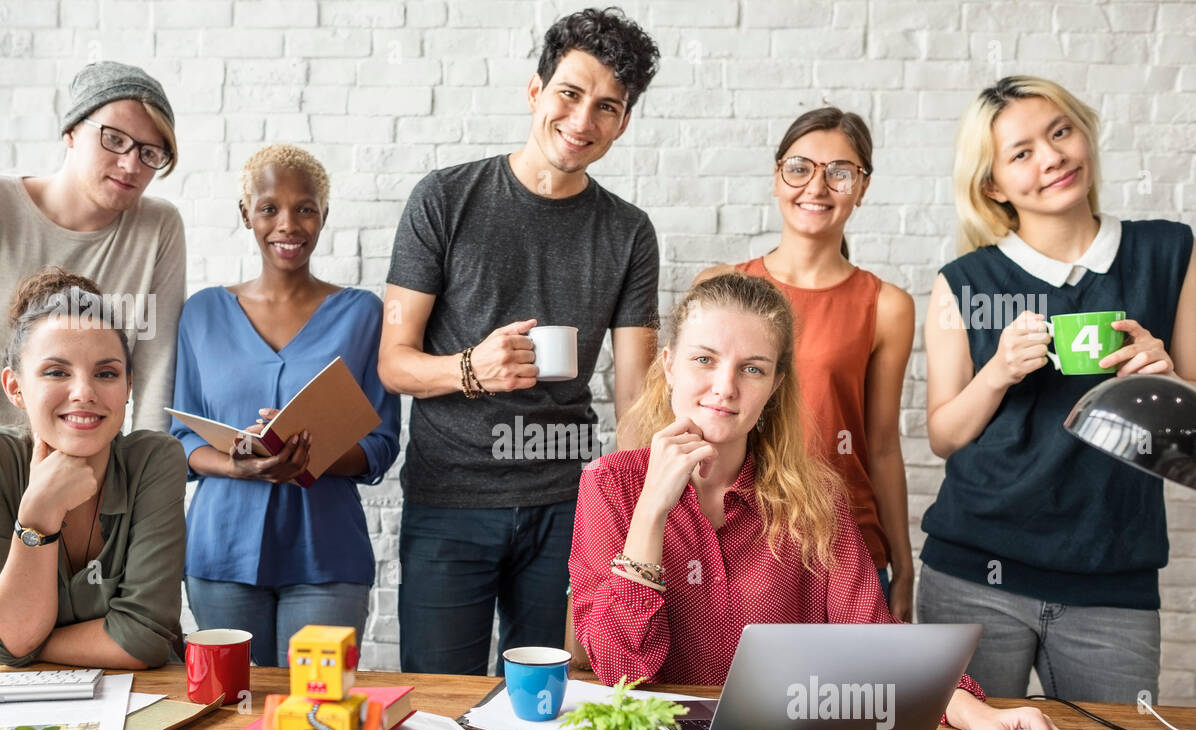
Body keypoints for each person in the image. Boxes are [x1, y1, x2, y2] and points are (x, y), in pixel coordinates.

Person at [571, 273, 1064, 730]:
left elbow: (872, 642)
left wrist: (976, 713)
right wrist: (652, 511)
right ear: (669, 365)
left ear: (773, 386)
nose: (725, 387)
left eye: (752, 368)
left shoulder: (816, 500)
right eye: (705, 359)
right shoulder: (610, 485)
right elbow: (622, 670)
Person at [379, 7, 662, 675]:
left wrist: (637, 513)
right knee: (439, 699)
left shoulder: (629, 233)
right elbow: (394, 363)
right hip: (450, 500)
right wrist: (470, 369)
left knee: (555, 706)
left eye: (607, 107)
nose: (582, 120)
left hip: (569, 509)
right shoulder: (445, 199)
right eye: (570, 93)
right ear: (536, 92)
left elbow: (635, 399)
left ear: (623, 124)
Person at [918, 76, 1196, 702]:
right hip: (973, 574)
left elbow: (1191, 433)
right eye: (1021, 152)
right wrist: (998, 372)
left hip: (1113, 577)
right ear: (993, 185)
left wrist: (1168, 374)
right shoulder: (965, 281)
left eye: (1061, 132)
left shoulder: (1169, 251)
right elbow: (944, 436)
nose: (1052, 157)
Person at [0, 61, 185, 619]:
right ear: (71, 131)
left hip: (94, 508)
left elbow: (153, 376)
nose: (131, 163)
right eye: (115, 139)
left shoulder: (159, 228)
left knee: (109, 674)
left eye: (151, 153)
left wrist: (136, 518)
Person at [171, 145, 401, 668]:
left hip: (326, 551)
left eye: (306, 208)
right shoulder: (202, 313)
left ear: (324, 215)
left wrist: (309, 452)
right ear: (245, 213)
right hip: (221, 551)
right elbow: (179, 438)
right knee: (234, 711)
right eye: (269, 207)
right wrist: (237, 462)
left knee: (318, 713)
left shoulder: (362, 314)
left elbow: (381, 444)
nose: (288, 224)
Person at [692, 107, 915, 620]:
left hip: (846, 545)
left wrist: (903, 567)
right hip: (739, 534)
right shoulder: (719, 285)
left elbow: (880, 446)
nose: (817, 186)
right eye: (800, 167)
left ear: (861, 188)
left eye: (840, 172)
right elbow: (689, 415)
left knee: (849, 699)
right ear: (776, 177)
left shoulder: (887, 306)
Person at [0, 269, 186, 668]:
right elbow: (9, 639)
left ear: (129, 387)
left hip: (147, 699)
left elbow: (144, 639)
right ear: (15, 387)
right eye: (57, 372)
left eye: (106, 373)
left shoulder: (155, 459)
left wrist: (21, 648)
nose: (84, 393)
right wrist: (39, 513)